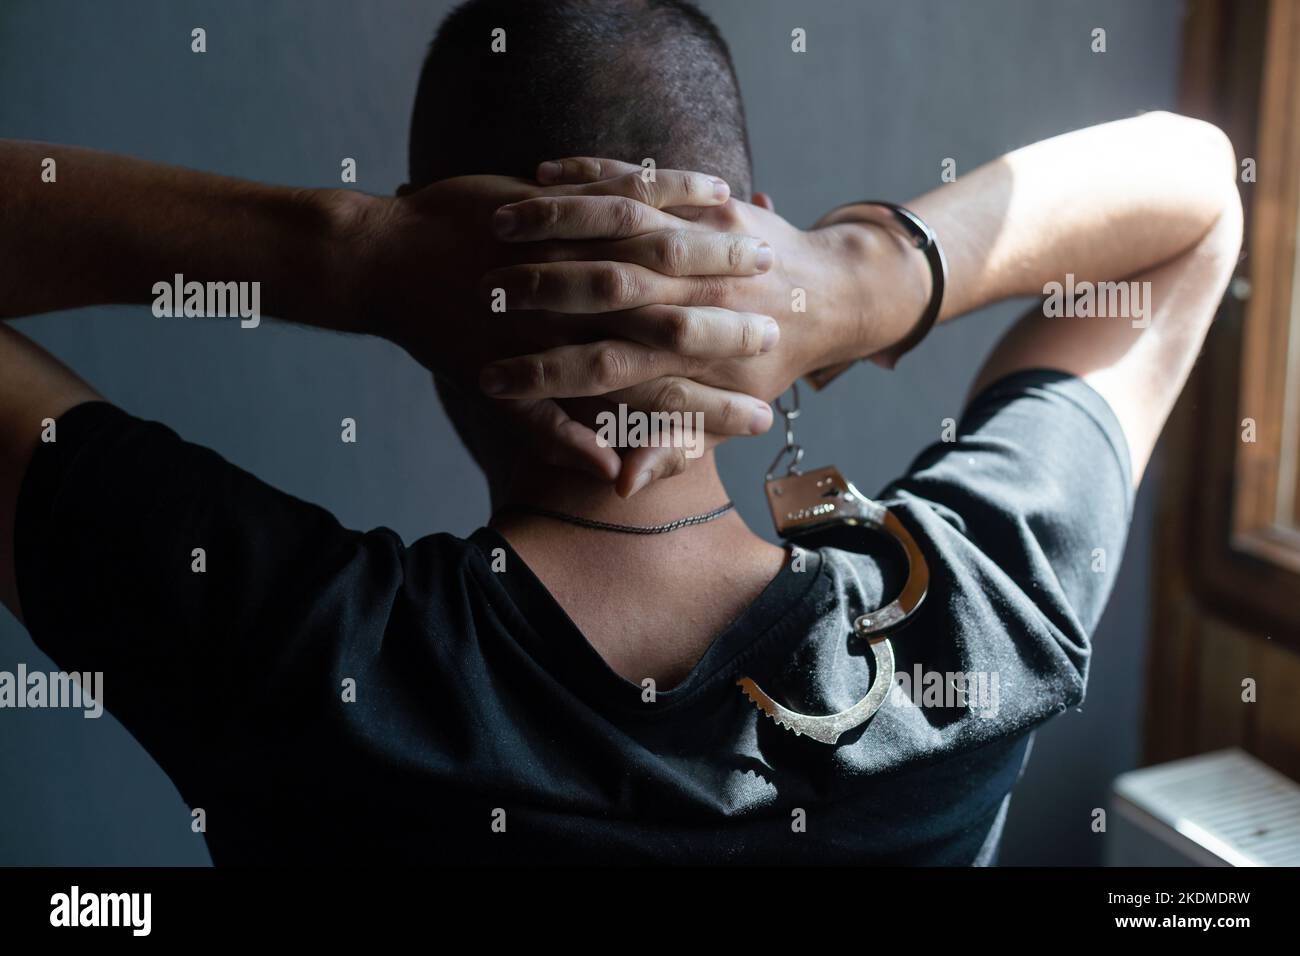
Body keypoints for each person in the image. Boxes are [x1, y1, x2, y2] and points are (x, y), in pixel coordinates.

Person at [0, 0, 1241, 863]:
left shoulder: (286, 653)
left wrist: (354, 259)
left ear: (440, 287)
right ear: (753, 228)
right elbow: (1193, 195)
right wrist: (863, 277)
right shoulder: (968, 623)